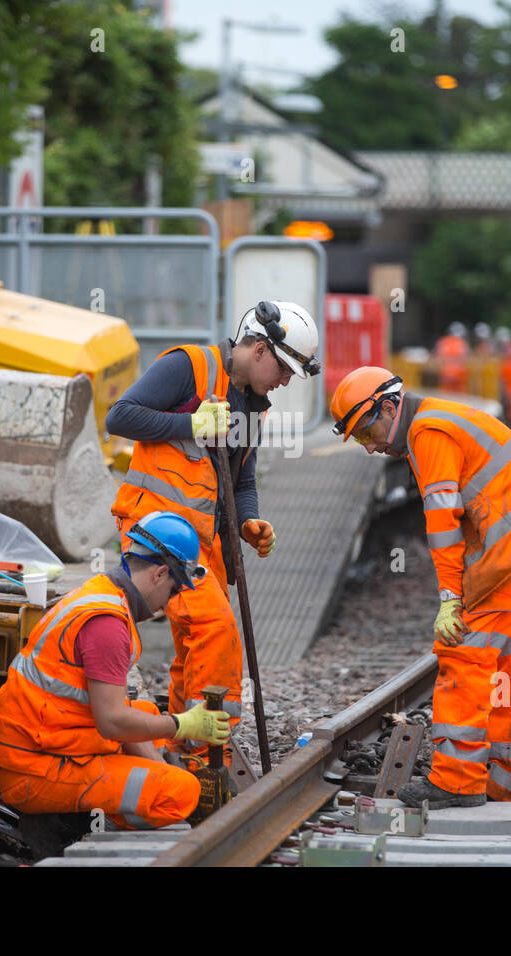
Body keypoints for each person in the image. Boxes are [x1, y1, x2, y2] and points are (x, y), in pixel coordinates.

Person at [330, 366, 511, 808]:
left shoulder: (428, 433)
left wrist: (451, 600)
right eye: (356, 439)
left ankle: (458, 779)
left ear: (390, 407)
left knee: (463, 651)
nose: (368, 447)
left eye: (366, 431)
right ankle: (507, 783)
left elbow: (442, 523)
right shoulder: (438, 419)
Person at [105, 301, 320, 759]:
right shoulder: (190, 367)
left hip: (204, 544)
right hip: (157, 533)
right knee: (217, 629)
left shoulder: (254, 407)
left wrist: (248, 521)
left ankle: (179, 749)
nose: (284, 382)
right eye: (283, 371)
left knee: (194, 647)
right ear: (260, 349)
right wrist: (191, 423)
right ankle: (207, 755)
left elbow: (242, 480)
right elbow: (119, 416)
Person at [0, 511, 231, 829]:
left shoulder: (101, 593)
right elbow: (112, 722)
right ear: (159, 575)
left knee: (142, 711)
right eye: (173, 590)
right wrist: (181, 725)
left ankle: (117, 793)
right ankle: (89, 824)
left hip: (44, 742)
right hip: (34, 771)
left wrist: (159, 764)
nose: (168, 603)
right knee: (181, 792)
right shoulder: (108, 624)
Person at [433, 321, 470, 392]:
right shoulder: (463, 343)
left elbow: (438, 359)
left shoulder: (443, 342)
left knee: (445, 397)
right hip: (459, 377)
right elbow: (465, 360)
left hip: (445, 375)